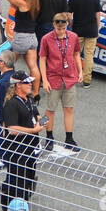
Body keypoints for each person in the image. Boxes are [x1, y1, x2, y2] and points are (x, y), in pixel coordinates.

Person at [0, 72, 45, 207]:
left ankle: (12, 201)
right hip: (17, 150)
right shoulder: (11, 104)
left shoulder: (28, 99)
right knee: (18, 183)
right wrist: (33, 130)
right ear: (18, 85)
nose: (30, 84)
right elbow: (12, 129)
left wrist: (40, 120)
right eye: (27, 82)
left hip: (30, 148)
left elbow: (35, 114)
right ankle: (10, 205)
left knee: (28, 180)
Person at [39, 12, 81, 150]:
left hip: (69, 78)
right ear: (54, 25)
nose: (61, 32)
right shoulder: (46, 39)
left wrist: (80, 71)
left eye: (63, 29)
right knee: (50, 110)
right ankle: (48, 137)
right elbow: (43, 59)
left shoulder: (73, 37)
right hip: (53, 78)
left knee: (69, 108)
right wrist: (44, 80)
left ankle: (69, 138)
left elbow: (76, 54)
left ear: (67, 25)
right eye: (58, 29)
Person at [67, 0, 101, 89]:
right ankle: (87, 80)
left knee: (73, 54)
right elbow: (98, 14)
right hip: (91, 30)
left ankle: (72, 75)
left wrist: (71, 26)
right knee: (89, 55)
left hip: (77, 30)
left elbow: (69, 15)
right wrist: (97, 28)